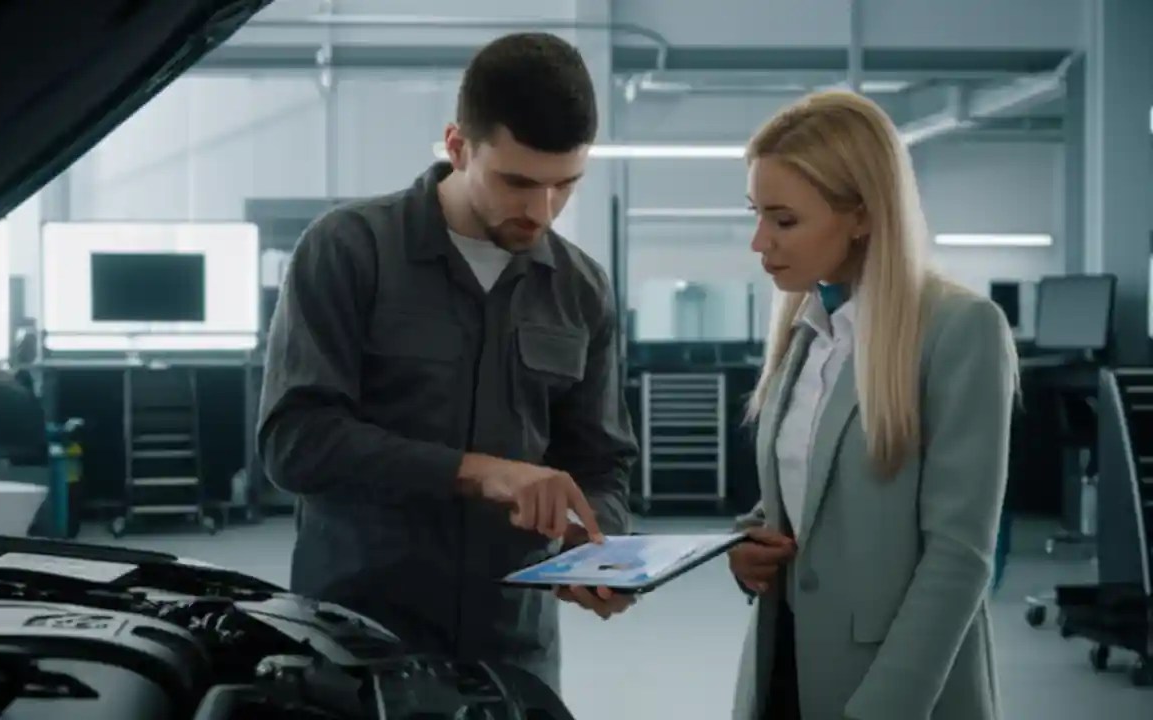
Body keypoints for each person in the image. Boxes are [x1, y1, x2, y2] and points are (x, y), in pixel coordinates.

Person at [256, 32, 638, 692]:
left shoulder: (582, 289)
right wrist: (477, 473)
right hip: (357, 643)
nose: (541, 212)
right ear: (457, 146)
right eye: (517, 182)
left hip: (513, 651)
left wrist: (594, 546)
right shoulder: (348, 252)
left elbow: (601, 463)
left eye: (564, 186)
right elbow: (295, 442)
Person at [725, 90, 1018, 720]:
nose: (759, 242)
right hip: (785, 665)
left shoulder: (960, 330)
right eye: (756, 214)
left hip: (893, 687)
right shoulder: (805, 330)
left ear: (860, 214)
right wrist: (749, 544)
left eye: (783, 220)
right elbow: (811, 494)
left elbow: (959, 557)